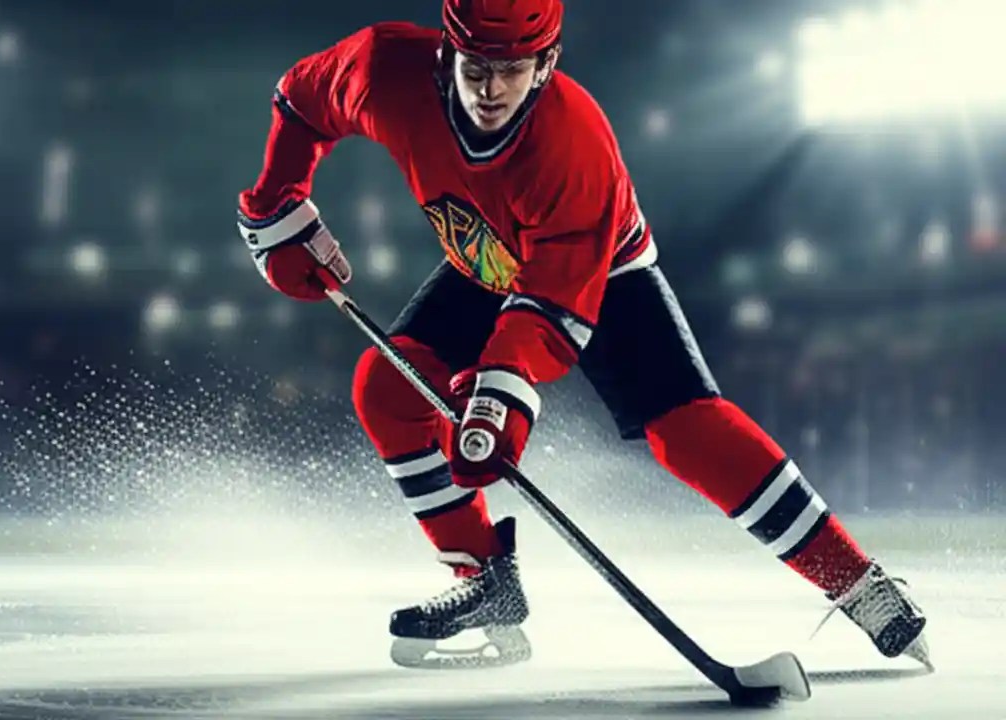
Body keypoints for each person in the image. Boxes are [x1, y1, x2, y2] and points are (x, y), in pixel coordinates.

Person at [237, 0, 929, 669]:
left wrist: (499, 397)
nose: (490, 89)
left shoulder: (575, 140)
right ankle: (485, 581)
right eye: (475, 66)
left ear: (547, 64)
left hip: (601, 273)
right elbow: (301, 100)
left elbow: (551, 306)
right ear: (446, 51)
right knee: (386, 390)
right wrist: (277, 204)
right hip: (485, 259)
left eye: (513, 69)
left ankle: (856, 582)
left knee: (688, 431)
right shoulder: (384, 69)